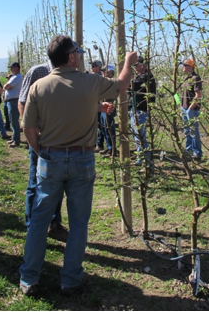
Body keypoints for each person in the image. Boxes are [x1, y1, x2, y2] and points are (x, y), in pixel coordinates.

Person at [18, 35, 136, 297]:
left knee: (38, 220)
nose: (81, 56)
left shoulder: (39, 86)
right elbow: (121, 85)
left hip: (50, 160)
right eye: (78, 53)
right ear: (71, 57)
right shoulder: (90, 82)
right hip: (83, 160)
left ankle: (29, 279)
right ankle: (70, 280)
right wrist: (128, 61)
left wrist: (42, 152)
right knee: (79, 222)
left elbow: (27, 127)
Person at [17, 59, 65, 242]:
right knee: (35, 181)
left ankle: (54, 224)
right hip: (40, 138)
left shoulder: (70, 76)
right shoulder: (38, 72)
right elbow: (22, 102)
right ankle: (32, 226)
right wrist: (31, 128)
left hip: (59, 139)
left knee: (58, 182)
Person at [130, 59, 157, 169]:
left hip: (141, 110)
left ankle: (148, 161)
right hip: (136, 109)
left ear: (142, 65)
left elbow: (132, 85)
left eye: (136, 65)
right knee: (137, 135)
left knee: (140, 136)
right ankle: (140, 158)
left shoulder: (146, 77)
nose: (135, 68)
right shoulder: (141, 76)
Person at [181, 58, 204, 160]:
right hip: (184, 108)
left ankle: (197, 153)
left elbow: (198, 95)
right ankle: (188, 150)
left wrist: (190, 108)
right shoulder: (186, 78)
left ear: (190, 67)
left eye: (185, 65)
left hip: (192, 109)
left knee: (194, 131)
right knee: (187, 131)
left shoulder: (195, 78)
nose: (183, 67)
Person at [4, 62, 24, 147]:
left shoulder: (17, 77)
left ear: (16, 68)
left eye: (12, 68)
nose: (11, 69)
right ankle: (14, 138)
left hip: (14, 101)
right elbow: (7, 87)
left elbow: (6, 87)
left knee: (14, 120)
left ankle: (16, 140)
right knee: (13, 120)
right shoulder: (15, 77)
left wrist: (8, 86)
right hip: (12, 100)